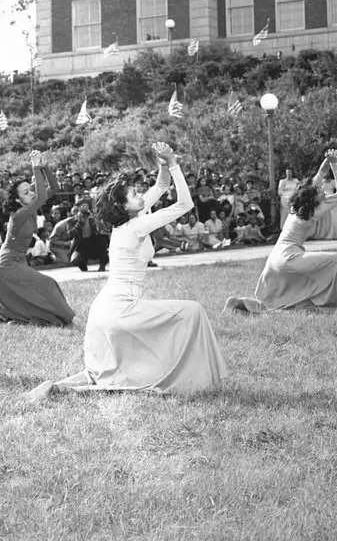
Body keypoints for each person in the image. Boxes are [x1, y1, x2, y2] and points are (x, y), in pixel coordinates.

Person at [26, 142, 225, 401]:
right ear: (123, 206)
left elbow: (162, 186)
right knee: (193, 311)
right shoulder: (136, 225)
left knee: (112, 372)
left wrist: (163, 164)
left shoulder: (132, 218)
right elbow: (185, 204)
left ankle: (56, 389)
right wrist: (174, 164)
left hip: (107, 308)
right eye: (134, 193)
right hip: (120, 309)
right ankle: (196, 381)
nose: (140, 194)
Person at [225, 150, 337, 314]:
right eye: (320, 191)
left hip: (276, 257)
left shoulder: (298, 205)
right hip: (289, 257)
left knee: (288, 304)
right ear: (312, 199)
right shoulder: (313, 212)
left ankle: (239, 304)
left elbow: (320, 173)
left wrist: (329, 159)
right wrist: (335, 165)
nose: (323, 190)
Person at [0, 151, 78, 328]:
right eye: (26, 193)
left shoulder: (29, 206)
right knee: (48, 285)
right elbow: (41, 197)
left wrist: (44, 167)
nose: (32, 194)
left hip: (14, 262)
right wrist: (35, 167)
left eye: (31, 190)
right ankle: (75, 320)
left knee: (15, 307)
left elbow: (54, 189)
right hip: (6, 264)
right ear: (18, 199)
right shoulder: (19, 214)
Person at [312, 171, 337, 240]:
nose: (327, 174)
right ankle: (323, 233)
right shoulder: (321, 181)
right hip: (323, 201)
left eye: (328, 173)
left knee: (334, 216)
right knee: (324, 218)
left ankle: (336, 234)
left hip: (332, 200)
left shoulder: (333, 181)